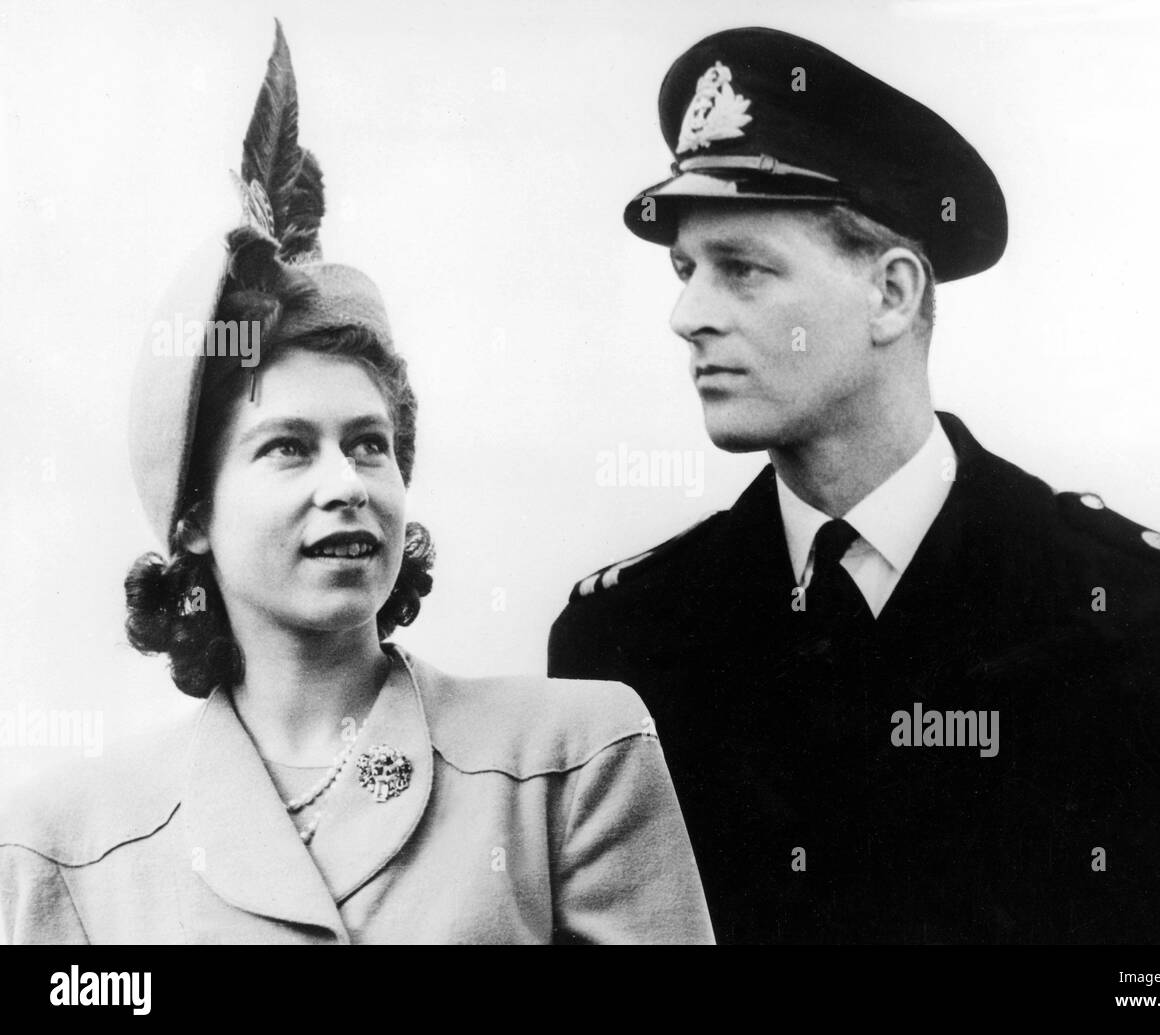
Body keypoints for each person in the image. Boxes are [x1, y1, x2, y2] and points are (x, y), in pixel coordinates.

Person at [548, 26, 1160, 944]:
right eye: (685, 270)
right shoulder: (627, 639)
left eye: (741, 269)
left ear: (893, 295)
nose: (687, 314)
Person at [0, 23, 712, 946]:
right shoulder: (67, 846)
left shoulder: (569, 759)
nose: (347, 483)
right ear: (193, 522)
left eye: (370, 445)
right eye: (288, 448)